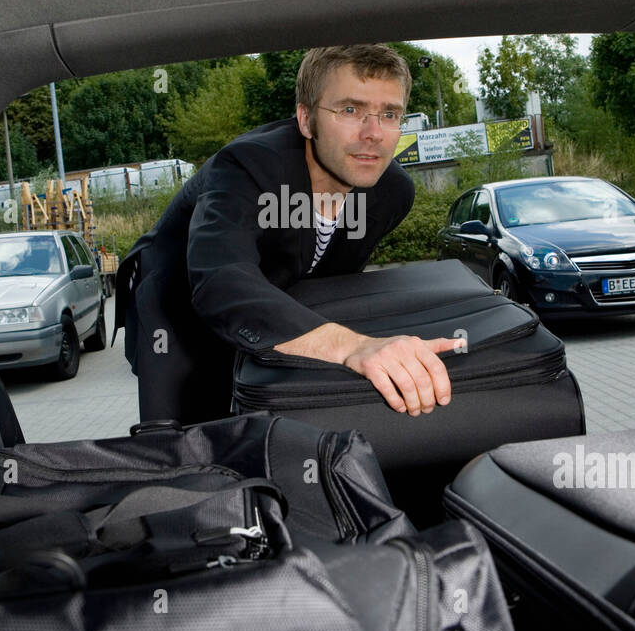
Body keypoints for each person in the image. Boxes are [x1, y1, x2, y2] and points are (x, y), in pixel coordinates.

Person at [113, 43, 462, 425]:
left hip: (275, 299)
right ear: (306, 120)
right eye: (350, 110)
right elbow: (222, 280)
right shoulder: (248, 167)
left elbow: (328, 282)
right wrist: (352, 347)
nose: (374, 134)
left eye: (389, 113)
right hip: (178, 307)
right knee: (187, 440)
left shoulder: (392, 192)